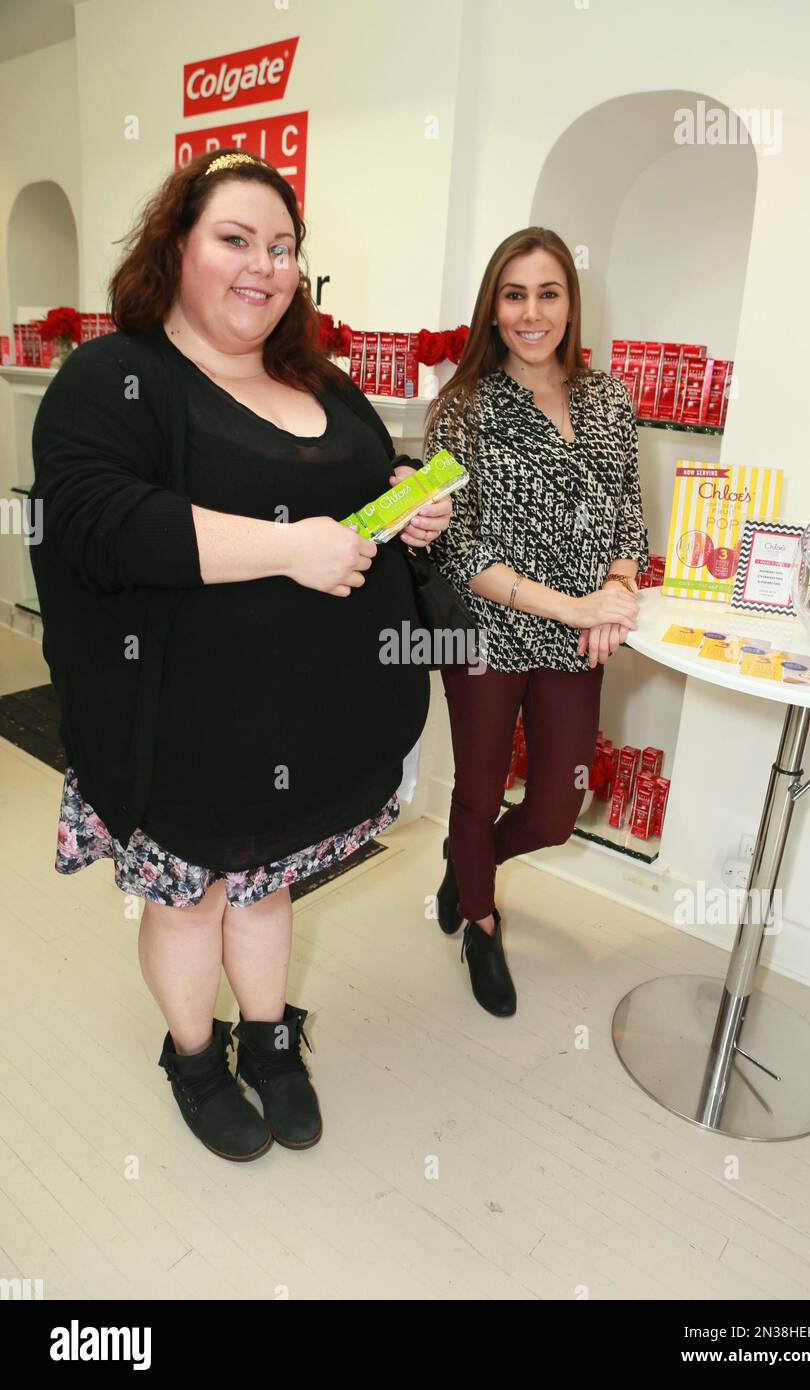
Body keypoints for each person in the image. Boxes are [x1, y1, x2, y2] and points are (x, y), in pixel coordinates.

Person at [29, 148, 452, 1162]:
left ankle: (268, 1040)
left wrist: (405, 501)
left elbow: (354, 487)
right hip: (181, 727)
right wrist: (287, 548)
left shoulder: (320, 380)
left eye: (282, 247)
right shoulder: (115, 376)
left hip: (303, 724)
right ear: (175, 247)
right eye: (234, 239)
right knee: (190, 902)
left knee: (263, 888)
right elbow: (99, 521)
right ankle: (190, 1054)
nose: (263, 265)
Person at [424, 227, 648, 1016]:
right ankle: (480, 921)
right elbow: (461, 548)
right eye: (513, 294)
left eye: (547, 293)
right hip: (488, 634)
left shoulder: (609, 400)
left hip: (577, 643)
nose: (530, 311)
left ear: (569, 303)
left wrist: (617, 589)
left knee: (556, 808)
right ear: (493, 307)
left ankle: (467, 861)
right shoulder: (462, 409)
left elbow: (626, 514)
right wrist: (575, 606)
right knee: (480, 789)